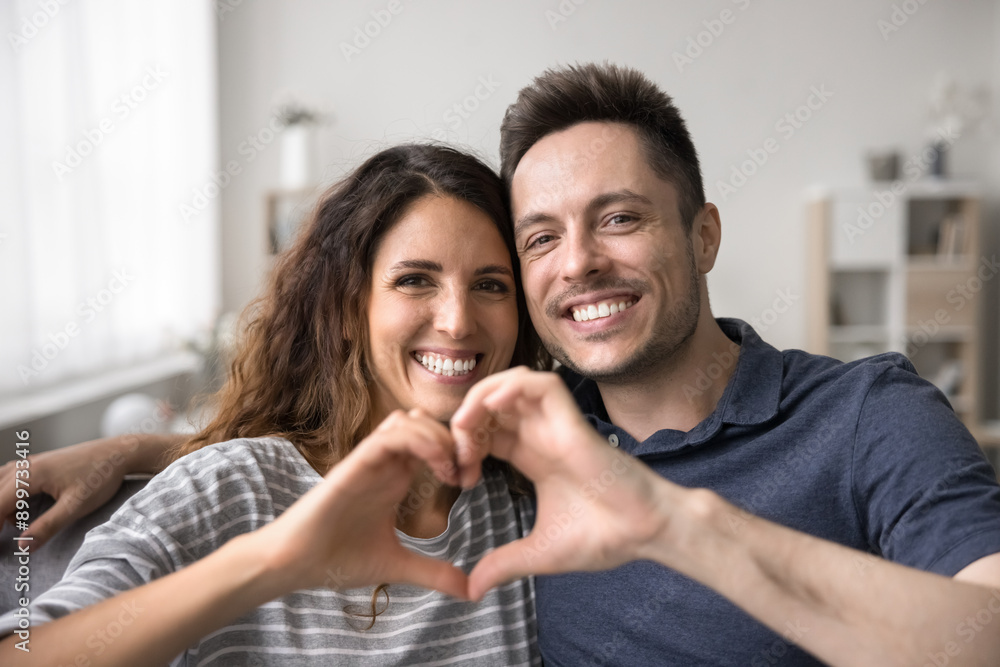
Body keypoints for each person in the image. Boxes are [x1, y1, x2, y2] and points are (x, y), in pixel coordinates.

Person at [6, 63, 1000, 666]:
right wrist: (144, 454)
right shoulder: (510, 441)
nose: (578, 263)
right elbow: (312, 466)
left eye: (619, 218)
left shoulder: (868, 413)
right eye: (539, 239)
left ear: (702, 234)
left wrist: (676, 523)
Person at [0, 143, 550, 665]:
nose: (457, 320)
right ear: (344, 312)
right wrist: (271, 562)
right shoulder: (230, 489)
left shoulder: (526, 498)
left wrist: (135, 446)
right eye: (413, 280)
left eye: (491, 285)